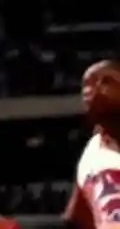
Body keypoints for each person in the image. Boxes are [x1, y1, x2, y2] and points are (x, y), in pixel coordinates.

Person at [64, 59, 120, 229]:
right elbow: (75, 219)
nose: (93, 88)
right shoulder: (92, 153)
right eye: (87, 84)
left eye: (106, 81)